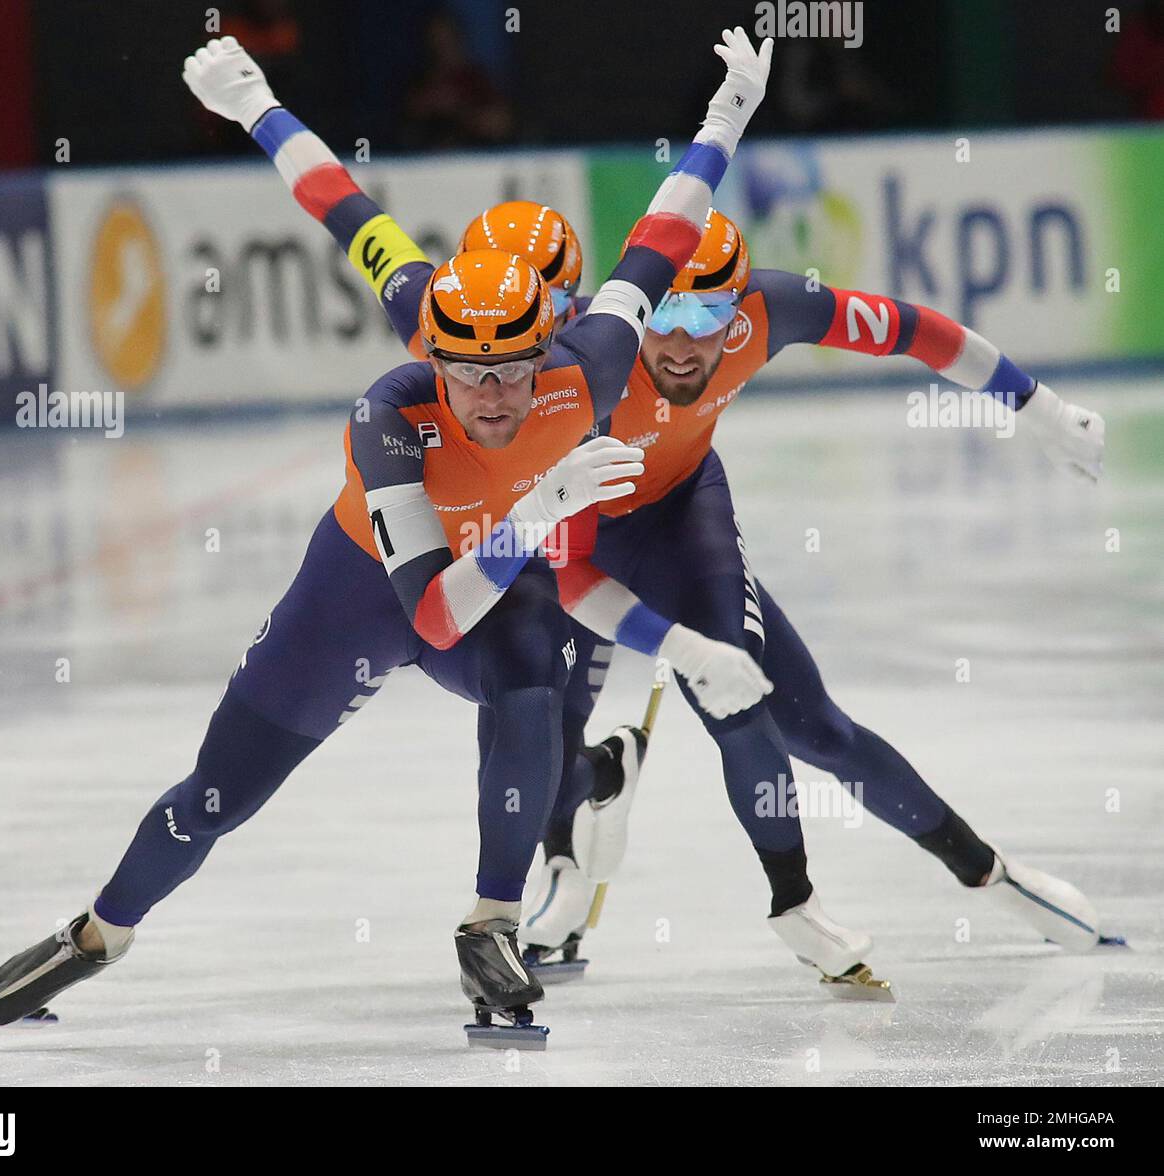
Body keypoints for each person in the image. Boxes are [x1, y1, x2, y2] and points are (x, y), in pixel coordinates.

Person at [202, 41, 1108, 993]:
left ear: (738, 306)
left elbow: (918, 330)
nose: (680, 347)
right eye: (664, 320)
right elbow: (352, 216)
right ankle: (585, 811)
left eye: (708, 316)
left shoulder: (749, 313)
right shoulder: (546, 358)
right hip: (567, 540)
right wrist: (257, 103)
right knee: (537, 749)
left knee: (787, 716)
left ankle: (924, 883)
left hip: (671, 514)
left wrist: (1040, 408)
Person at [0, 29, 776, 1039]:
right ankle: (96, 934)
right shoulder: (392, 415)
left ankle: (490, 924)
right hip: (363, 588)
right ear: (429, 350)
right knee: (216, 800)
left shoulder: (595, 362)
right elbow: (434, 612)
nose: (490, 397)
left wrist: (726, 116)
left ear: (549, 349)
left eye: (512, 371)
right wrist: (255, 103)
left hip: (492, 587)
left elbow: (662, 235)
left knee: (531, 688)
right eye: (465, 373)